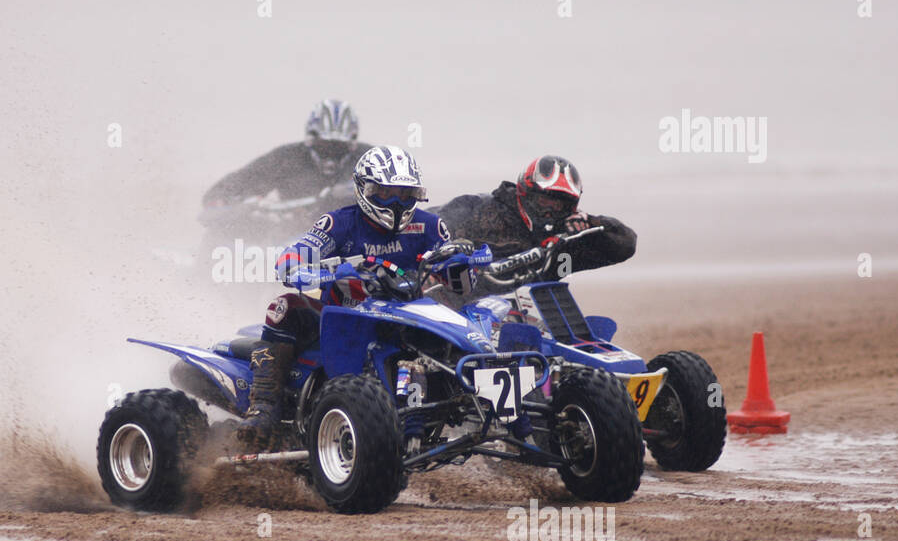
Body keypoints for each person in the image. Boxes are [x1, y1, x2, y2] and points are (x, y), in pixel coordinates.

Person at [236, 146, 451, 448]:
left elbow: (455, 273)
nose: (396, 203)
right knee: (283, 306)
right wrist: (324, 274)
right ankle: (263, 406)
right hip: (343, 320)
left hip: (411, 322)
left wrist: (464, 262)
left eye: (405, 194)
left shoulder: (430, 226)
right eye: (386, 193)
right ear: (365, 189)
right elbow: (289, 261)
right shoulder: (339, 224)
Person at [433, 156, 636, 301]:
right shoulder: (477, 209)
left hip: (527, 319)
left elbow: (625, 245)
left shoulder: (564, 239)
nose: (550, 211)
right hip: (458, 309)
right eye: (544, 201)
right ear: (525, 193)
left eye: (559, 205)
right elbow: (424, 225)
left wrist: (593, 222)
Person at [199, 100, 371, 247]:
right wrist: (224, 203)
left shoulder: (371, 159)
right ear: (310, 139)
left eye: (338, 147)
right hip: (291, 238)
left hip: (357, 242)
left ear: (352, 143)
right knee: (218, 239)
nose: (331, 155)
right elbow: (239, 182)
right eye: (325, 145)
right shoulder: (287, 158)